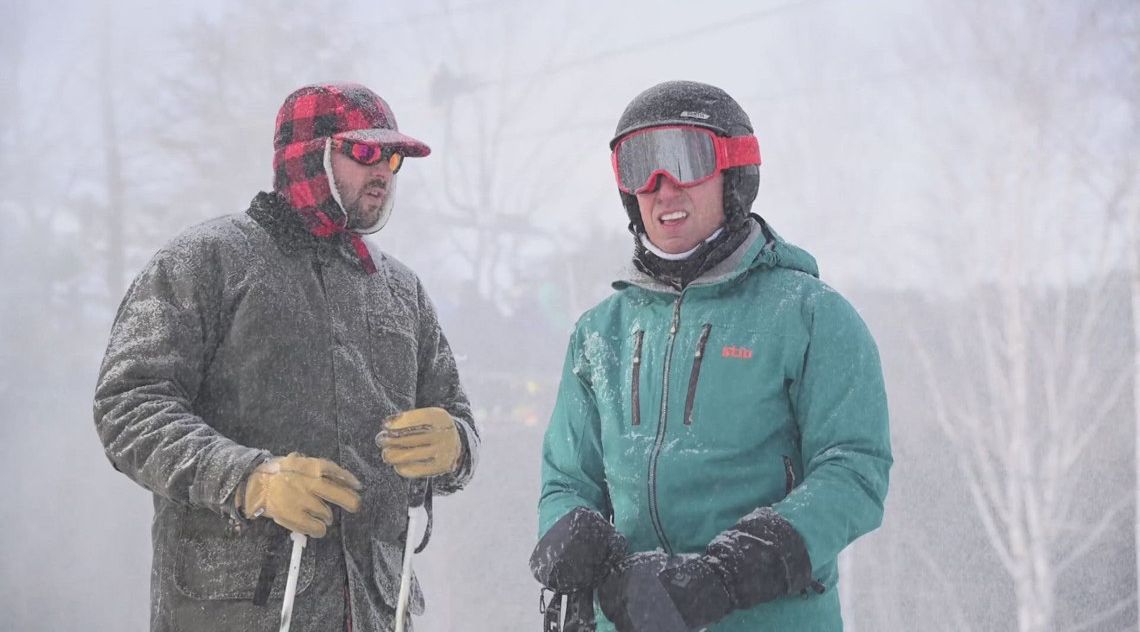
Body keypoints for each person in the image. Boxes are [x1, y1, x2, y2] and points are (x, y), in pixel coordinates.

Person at [94, 82, 480, 632]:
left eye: (393, 158)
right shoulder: (206, 261)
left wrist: (458, 444)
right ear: (308, 154)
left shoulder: (400, 289)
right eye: (365, 152)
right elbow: (127, 404)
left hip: (373, 611)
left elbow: (455, 412)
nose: (385, 172)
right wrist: (250, 479)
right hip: (238, 609)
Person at [529, 80, 892, 631]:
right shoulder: (600, 333)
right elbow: (566, 478)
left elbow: (855, 470)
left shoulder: (808, 316)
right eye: (640, 168)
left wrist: (729, 573)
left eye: (686, 160)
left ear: (735, 173)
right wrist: (573, 532)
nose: (661, 188)